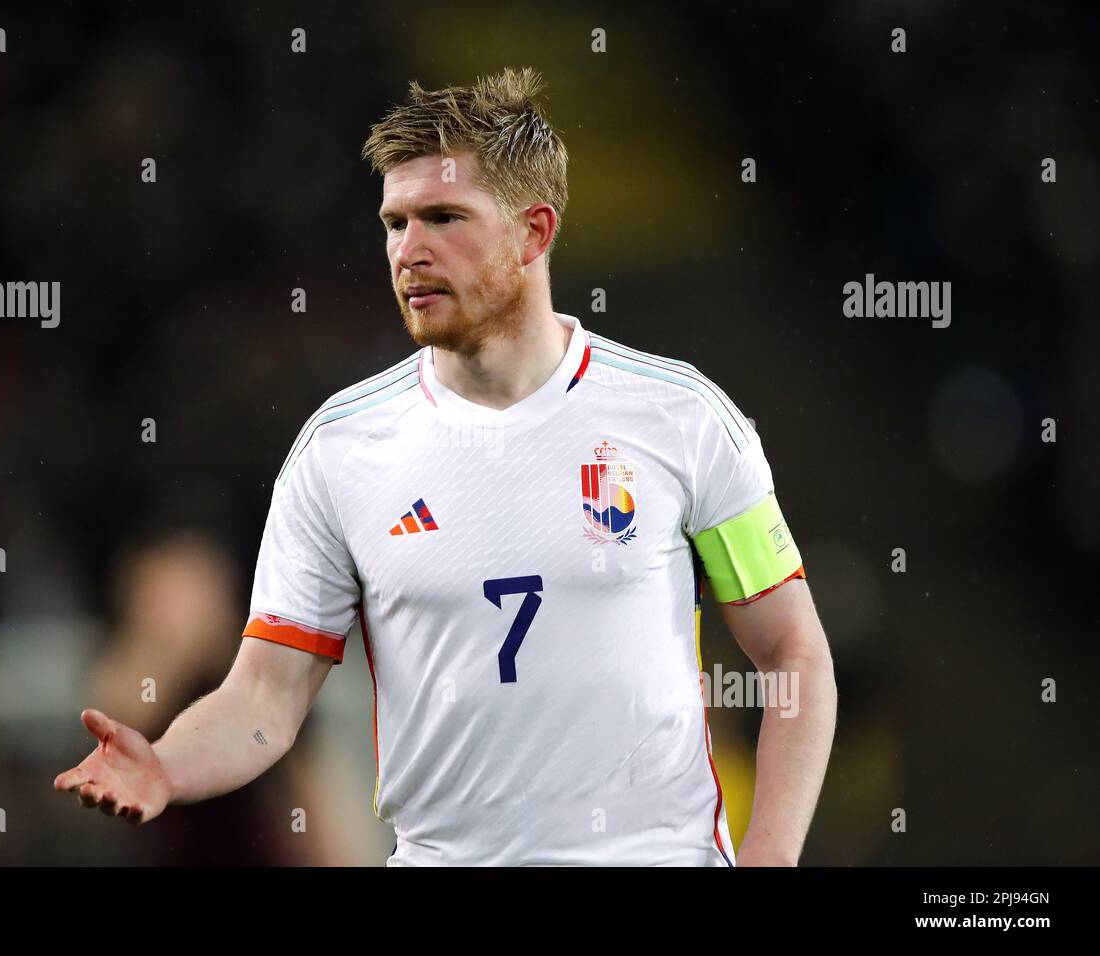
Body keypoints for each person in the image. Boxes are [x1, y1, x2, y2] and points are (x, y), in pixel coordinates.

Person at [55, 66, 836, 866]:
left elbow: (793, 652)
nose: (409, 250)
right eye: (395, 223)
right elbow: (262, 696)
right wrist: (168, 765)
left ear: (535, 232)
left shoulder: (682, 419)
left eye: (443, 218)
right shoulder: (340, 450)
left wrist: (771, 854)